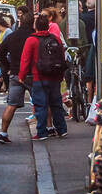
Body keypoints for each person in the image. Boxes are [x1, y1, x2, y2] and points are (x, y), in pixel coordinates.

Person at [20, 12, 67, 140]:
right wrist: (61, 74)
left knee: (41, 105)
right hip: (54, 76)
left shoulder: (31, 40)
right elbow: (61, 57)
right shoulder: (55, 39)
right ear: (48, 26)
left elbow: (25, 60)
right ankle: (62, 129)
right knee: (56, 104)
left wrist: (22, 76)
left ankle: (41, 132)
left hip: (38, 77)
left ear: (36, 26)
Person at [0, 10, 35, 144]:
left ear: (20, 22)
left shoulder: (12, 36)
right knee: (40, 102)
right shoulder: (34, 36)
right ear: (32, 22)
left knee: (11, 105)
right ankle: (44, 129)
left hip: (15, 73)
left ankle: (3, 132)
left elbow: (0, 53)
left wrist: (7, 67)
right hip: (32, 73)